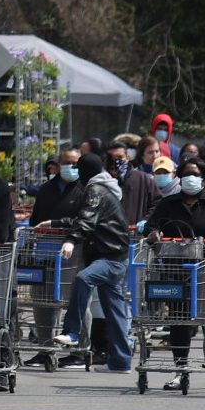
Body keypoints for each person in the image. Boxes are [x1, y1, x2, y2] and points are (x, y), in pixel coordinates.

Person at [145, 159, 205, 390]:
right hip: (177, 271)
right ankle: (180, 369)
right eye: (184, 174)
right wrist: (154, 233)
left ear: (203, 178)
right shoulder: (169, 204)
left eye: (194, 174)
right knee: (179, 321)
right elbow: (152, 225)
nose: (189, 178)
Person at [52, 153, 132, 372]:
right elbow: (89, 219)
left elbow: (86, 220)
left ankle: (72, 331)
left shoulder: (95, 190)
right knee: (114, 312)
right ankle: (120, 361)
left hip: (109, 257)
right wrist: (56, 222)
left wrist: (70, 240)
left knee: (83, 278)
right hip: (117, 256)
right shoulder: (106, 188)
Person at [30, 147, 84, 225]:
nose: (71, 166)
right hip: (46, 236)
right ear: (59, 164)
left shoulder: (85, 189)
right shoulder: (45, 188)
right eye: (67, 163)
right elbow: (35, 217)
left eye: (74, 163)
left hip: (72, 236)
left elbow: (85, 222)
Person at [111, 143, 159, 229]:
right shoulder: (101, 181)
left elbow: (157, 203)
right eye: (112, 159)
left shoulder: (143, 179)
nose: (116, 161)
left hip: (135, 235)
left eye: (120, 157)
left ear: (127, 158)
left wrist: (146, 220)